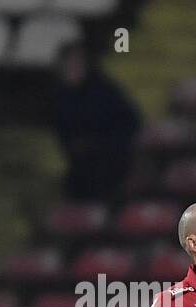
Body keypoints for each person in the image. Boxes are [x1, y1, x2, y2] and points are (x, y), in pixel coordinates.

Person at [52, 42, 141, 201]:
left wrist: (100, 145)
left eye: (77, 64)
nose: (72, 69)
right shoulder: (58, 97)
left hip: (110, 165)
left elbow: (131, 123)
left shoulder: (105, 92)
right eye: (68, 65)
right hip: (78, 169)